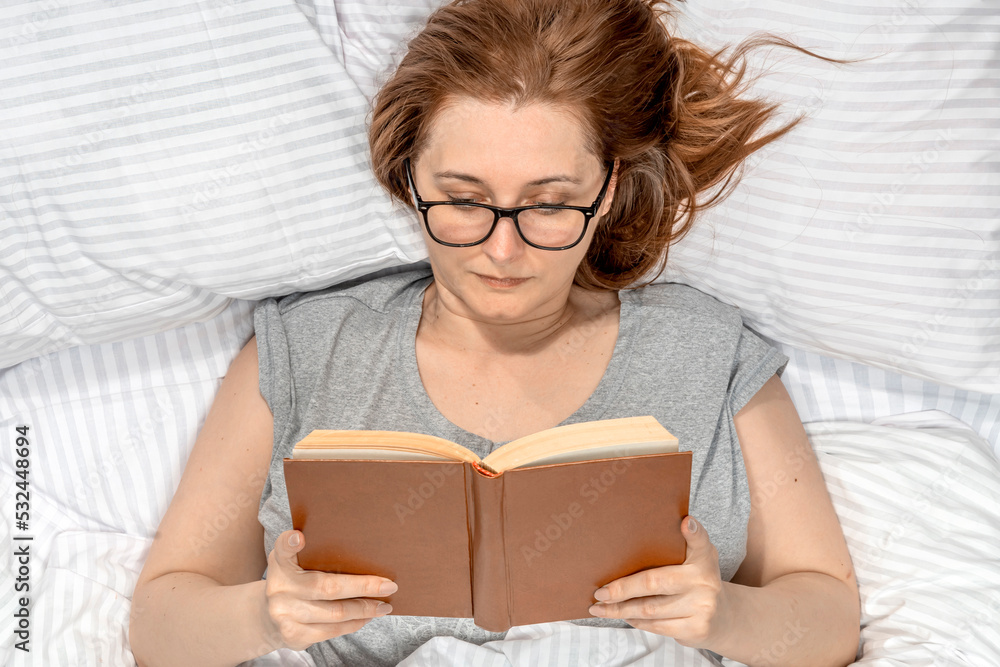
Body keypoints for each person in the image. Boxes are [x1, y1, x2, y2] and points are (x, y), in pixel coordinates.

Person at [129, 1, 861, 665]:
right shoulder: (306, 352)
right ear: (408, 176)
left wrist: (726, 615)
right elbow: (161, 627)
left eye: (548, 204)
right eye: (462, 200)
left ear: (606, 189)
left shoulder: (706, 352)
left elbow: (828, 617)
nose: (500, 252)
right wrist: (264, 615)